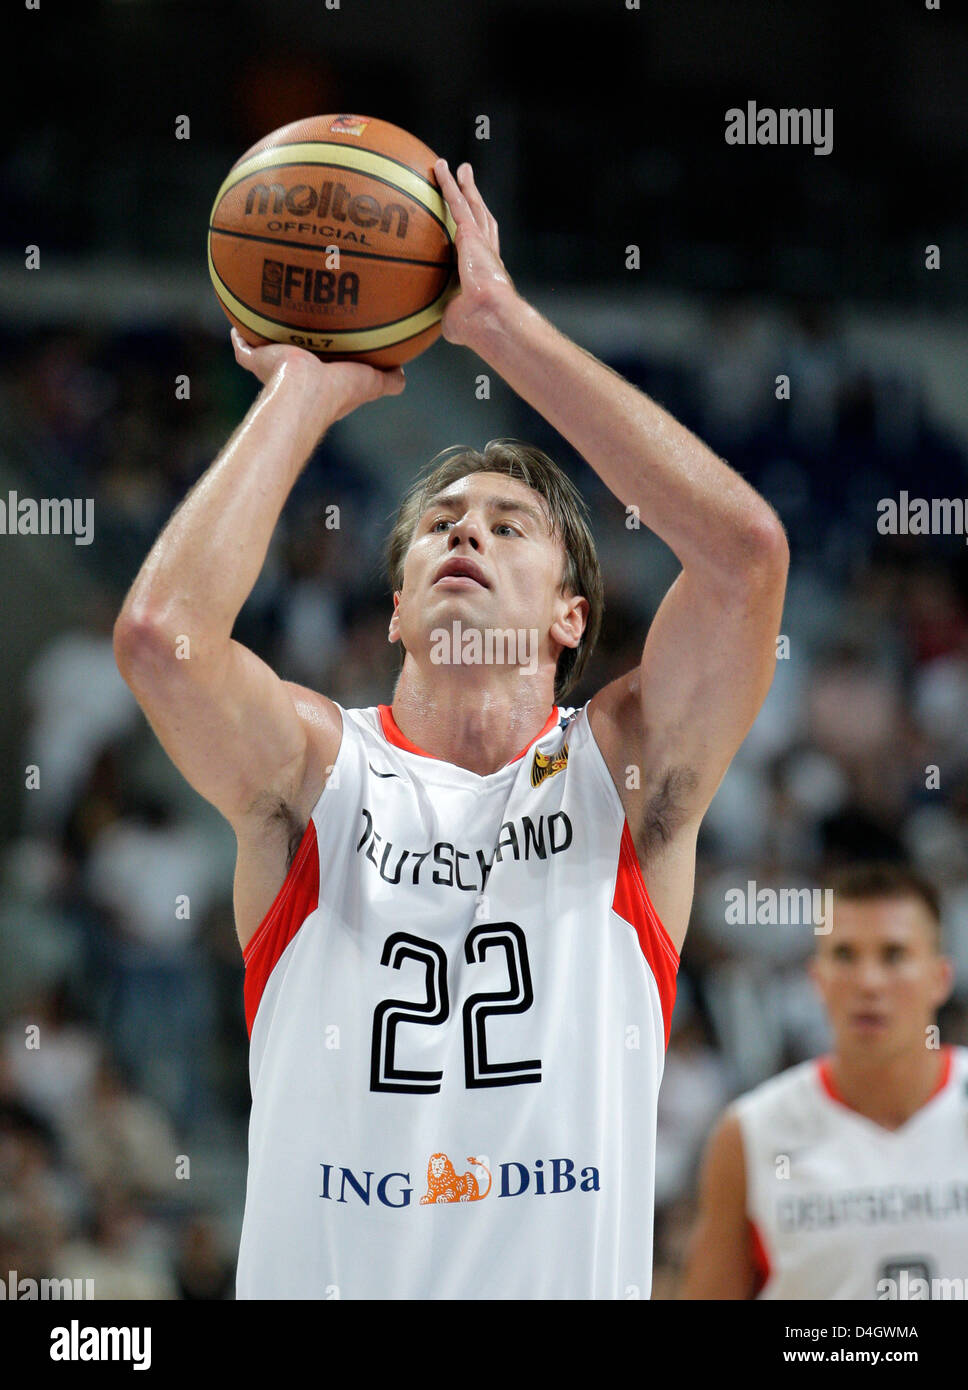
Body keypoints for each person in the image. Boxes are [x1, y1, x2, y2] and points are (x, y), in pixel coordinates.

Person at [113, 158, 788, 1299]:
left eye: (509, 525)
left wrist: (499, 326)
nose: (464, 533)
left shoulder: (619, 776)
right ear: (396, 604)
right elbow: (160, 640)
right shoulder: (314, 774)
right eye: (437, 524)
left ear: (573, 613)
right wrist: (303, 390)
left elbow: (743, 559)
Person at [680, 861, 968, 1301]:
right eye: (845, 955)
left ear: (940, 977)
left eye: (894, 955)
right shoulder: (750, 1132)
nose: (869, 982)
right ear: (818, 980)